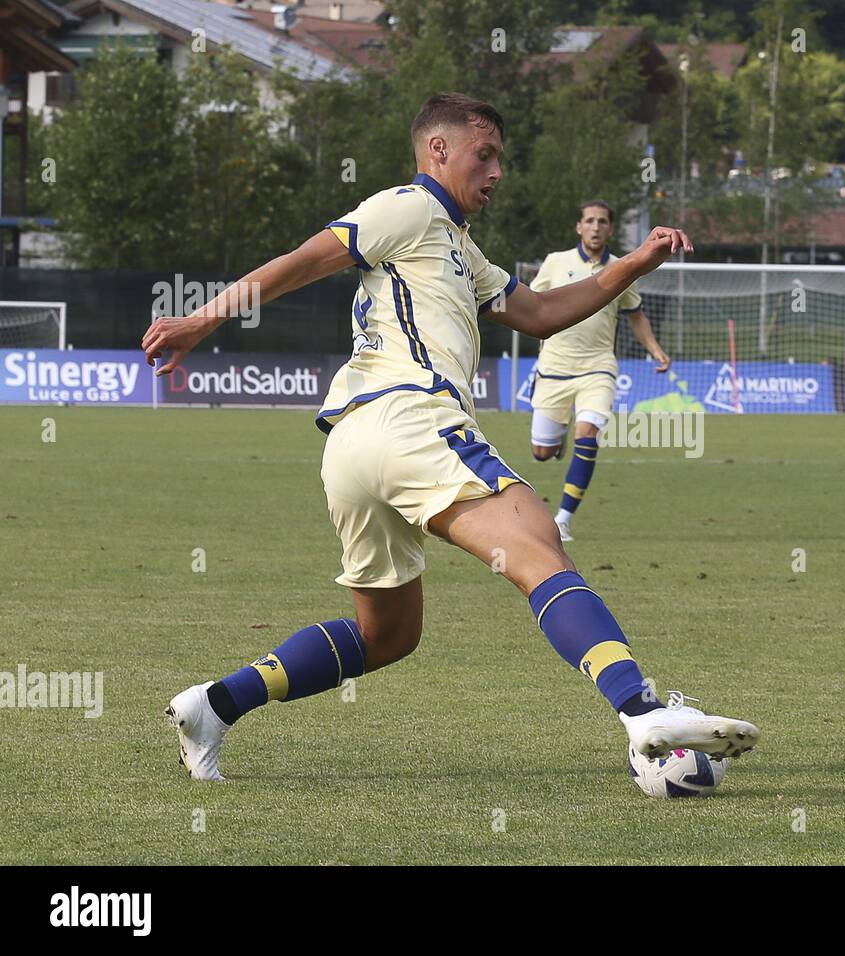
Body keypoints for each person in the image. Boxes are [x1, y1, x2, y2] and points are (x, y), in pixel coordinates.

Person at [141, 92, 757, 782]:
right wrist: (201, 321)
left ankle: (214, 705)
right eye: (483, 154)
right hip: (411, 419)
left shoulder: (462, 249)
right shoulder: (408, 206)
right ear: (438, 150)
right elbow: (300, 261)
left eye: (500, 159)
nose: (496, 171)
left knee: (387, 636)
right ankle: (642, 711)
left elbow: (543, 312)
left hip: (353, 447)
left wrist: (630, 267)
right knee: (537, 548)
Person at [527, 200, 672, 541]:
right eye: (589, 221)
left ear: (610, 229)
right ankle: (555, 440)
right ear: (579, 226)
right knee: (541, 453)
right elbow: (531, 305)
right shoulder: (555, 262)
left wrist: (655, 350)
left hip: (598, 368)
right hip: (553, 368)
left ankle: (563, 518)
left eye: (602, 222)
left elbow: (635, 315)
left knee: (588, 433)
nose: (595, 227)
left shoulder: (623, 268)